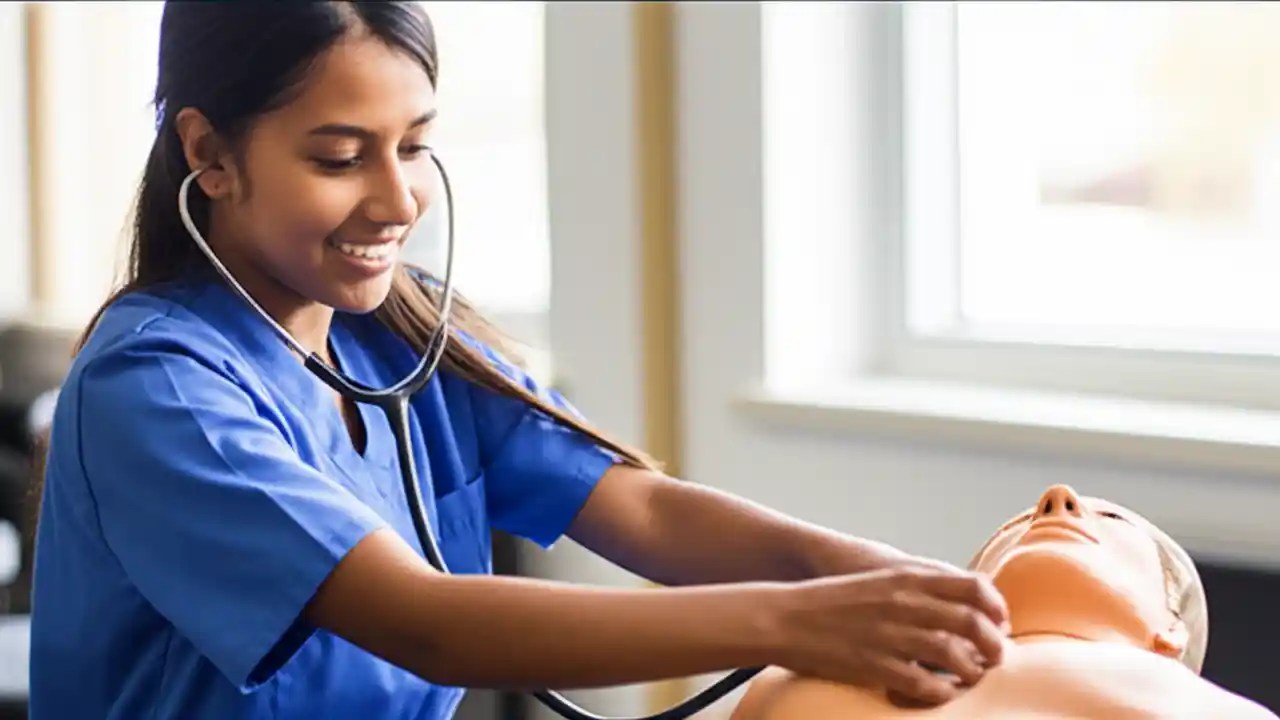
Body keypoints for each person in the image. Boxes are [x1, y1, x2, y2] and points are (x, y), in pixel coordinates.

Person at [26, 3, 1012, 719]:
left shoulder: (397, 337)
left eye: (413, 147)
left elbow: (644, 511)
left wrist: (865, 573)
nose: (398, 201)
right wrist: (795, 623)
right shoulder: (158, 388)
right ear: (210, 153)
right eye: (339, 156)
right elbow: (422, 624)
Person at [729, 484, 1280, 720]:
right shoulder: (795, 672)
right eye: (1018, 525)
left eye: (1111, 520)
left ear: (1171, 628)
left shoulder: (1197, 703)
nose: (1054, 500)